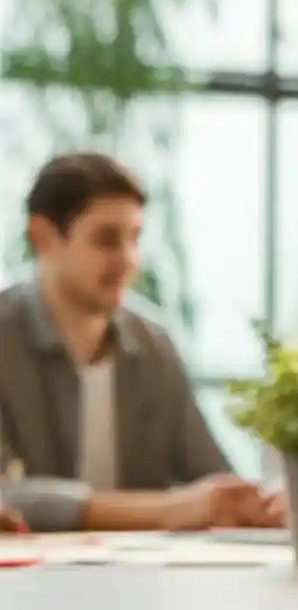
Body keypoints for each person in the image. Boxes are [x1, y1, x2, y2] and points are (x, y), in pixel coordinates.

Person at [0, 153, 276, 532]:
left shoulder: (153, 344)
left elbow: (211, 479)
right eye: (106, 240)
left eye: (135, 238)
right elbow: (6, 497)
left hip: (141, 567)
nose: (129, 260)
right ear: (43, 238)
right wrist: (167, 510)